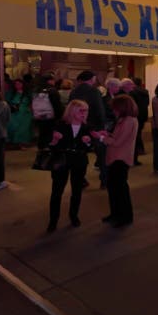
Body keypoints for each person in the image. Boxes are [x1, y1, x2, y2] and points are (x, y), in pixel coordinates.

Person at [46, 100, 94, 232]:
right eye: (81, 111)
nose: (84, 114)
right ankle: (53, 220)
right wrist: (55, 140)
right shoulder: (60, 125)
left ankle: (74, 216)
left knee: (77, 190)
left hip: (79, 161)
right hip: (61, 160)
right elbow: (50, 146)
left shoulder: (87, 126)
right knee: (57, 192)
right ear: (72, 111)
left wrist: (88, 142)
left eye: (86, 111)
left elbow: (92, 147)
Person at [93, 95, 138, 228]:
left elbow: (117, 142)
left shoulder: (129, 120)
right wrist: (107, 134)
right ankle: (115, 214)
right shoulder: (124, 119)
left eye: (115, 108)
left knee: (120, 189)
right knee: (114, 188)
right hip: (117, 157)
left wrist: (101, 138)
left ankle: (124, 217)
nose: (114, 111)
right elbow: (117, 137)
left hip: (121, 158)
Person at [69, 71, 106, 188]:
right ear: (92, 78)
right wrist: (102, 125)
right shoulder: (94, 91)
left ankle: (81, 179)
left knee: (80, 153)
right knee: (102, 154)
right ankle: (104, 180)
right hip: (94, 126)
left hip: (78, 125)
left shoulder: (74, 91)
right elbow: (100, 110)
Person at [32, 74, 63, 150]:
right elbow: (56, 104)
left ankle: (41, 148)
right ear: (49, 81)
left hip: (39, 115)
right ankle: (47, 149)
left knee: (42, 133)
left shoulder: (37, 90)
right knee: (49, 134)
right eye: (53, 80)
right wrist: (59, 115)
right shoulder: (52, 90)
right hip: (50, 116)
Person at [123, 77, 150, 163]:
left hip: (135, 115)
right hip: (143, 114)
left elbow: (131, 105)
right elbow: (147, 103)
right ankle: (140, 149)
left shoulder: (132, 92)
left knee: (134, 135)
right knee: (138, 133)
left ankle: (137, 151)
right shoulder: (145, 91)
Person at [5, 79, 32, 148]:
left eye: (19, 84)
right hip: (15, 112)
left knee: (24, 128)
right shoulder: (11, 93)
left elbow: (31, 102)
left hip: (25, 112)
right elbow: (7, 101)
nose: (18, 85)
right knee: (13, 127)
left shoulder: (27, 93)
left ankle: (22, 143)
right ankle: (14, 142)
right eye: (16, 84)